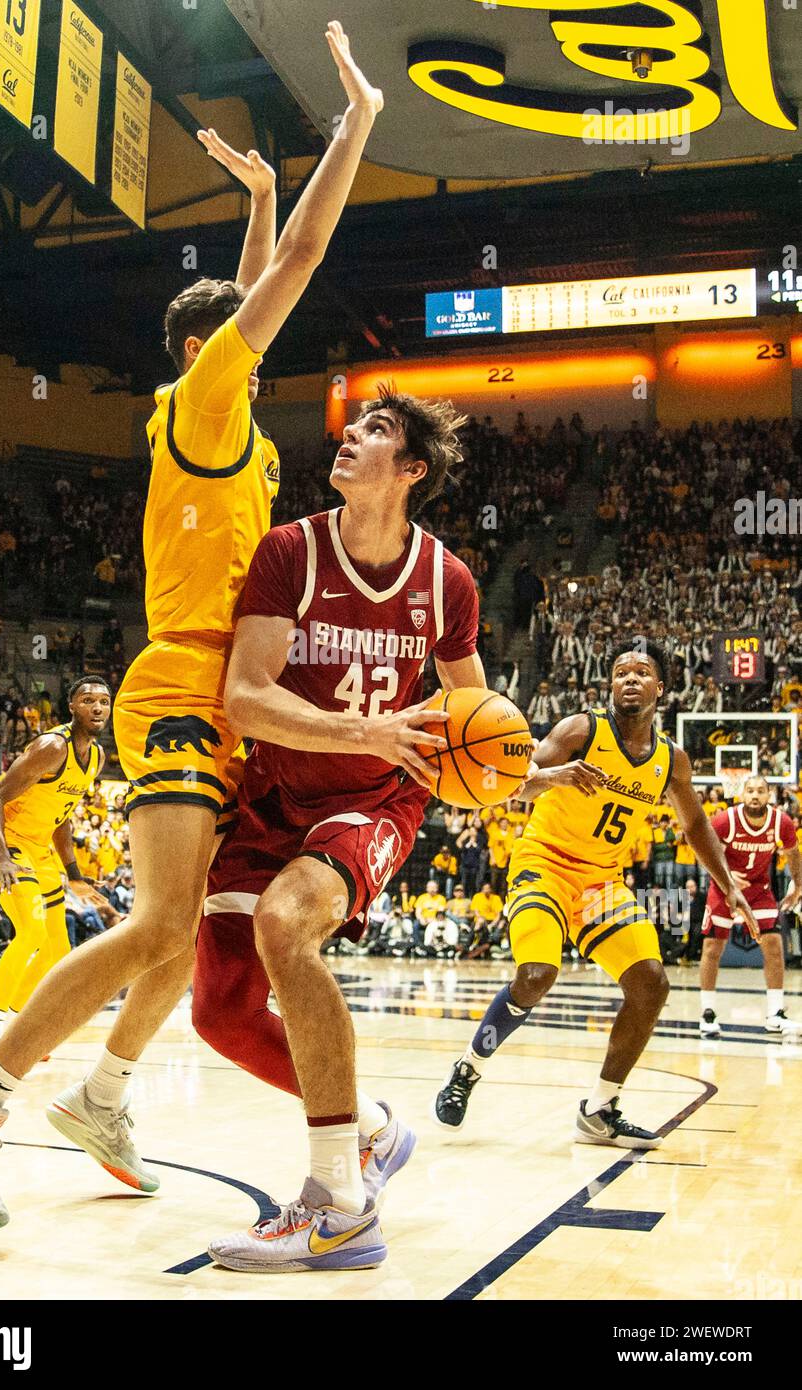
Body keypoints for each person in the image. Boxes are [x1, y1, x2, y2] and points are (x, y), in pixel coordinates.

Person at [0, 21, 385, 1232]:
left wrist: (262, 191)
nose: (258, 343)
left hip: (219, 696)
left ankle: (105, 1093)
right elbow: (297, 269)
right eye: (234, 331)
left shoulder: (215, 417)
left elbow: (253, 283)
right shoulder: (209, 393)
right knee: (160, 924)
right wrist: (348, 134)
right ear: (200, 347)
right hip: (179, 680)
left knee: (180, 944)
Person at [192, 384, 482, 1272]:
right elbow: (245, 697)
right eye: (354, 426)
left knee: (287, 924)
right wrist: (368, 728)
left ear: (411, 471)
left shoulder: (448, 581)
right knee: (222, 1014)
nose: (351, 436)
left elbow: (473, 714)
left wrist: (515, 771)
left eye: (377, 431)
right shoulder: (292, 551)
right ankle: (373, 1129)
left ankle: (337, 1205)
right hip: (273, 793)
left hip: (374, 799)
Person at [434, 639, 758, 1148]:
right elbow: (514, 784)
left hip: (601, 882)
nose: (630, 678)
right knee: (537, 974)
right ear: (610, 685)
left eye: (641, 672)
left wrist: (728, 884)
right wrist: (554, 775)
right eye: (621, 672)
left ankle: (600, 1109)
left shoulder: (670, 761)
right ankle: (469, 1068)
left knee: (651, 982)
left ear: (661, 688)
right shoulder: (581, 730)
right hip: (543, 865)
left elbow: (695, 823)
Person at [0, 679, 110, 1057]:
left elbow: (61, 818)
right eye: (87, 700)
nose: (97, 707)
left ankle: (16, 1025)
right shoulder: (51, 747)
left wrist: (73, 872)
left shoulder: (97, 758)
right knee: (31, 931)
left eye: (104, 701)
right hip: (7, 841)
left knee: (58, 947)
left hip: (40, 850)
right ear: (72, 706)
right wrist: (2, 856)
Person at [698, 774, 802, 1038]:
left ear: (770, 795)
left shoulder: (782, 822)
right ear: (742, 794)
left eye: (761, 791)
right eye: (750, 791)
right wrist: (727, 877)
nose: (755, 795)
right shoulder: (725, 820)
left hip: (758, 888)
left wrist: (799, 886)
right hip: (724, 888)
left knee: (775, 945)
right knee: (713, 947)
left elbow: (793, 853)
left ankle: (775, 1014)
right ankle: (707, 1013)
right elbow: (705, 850)